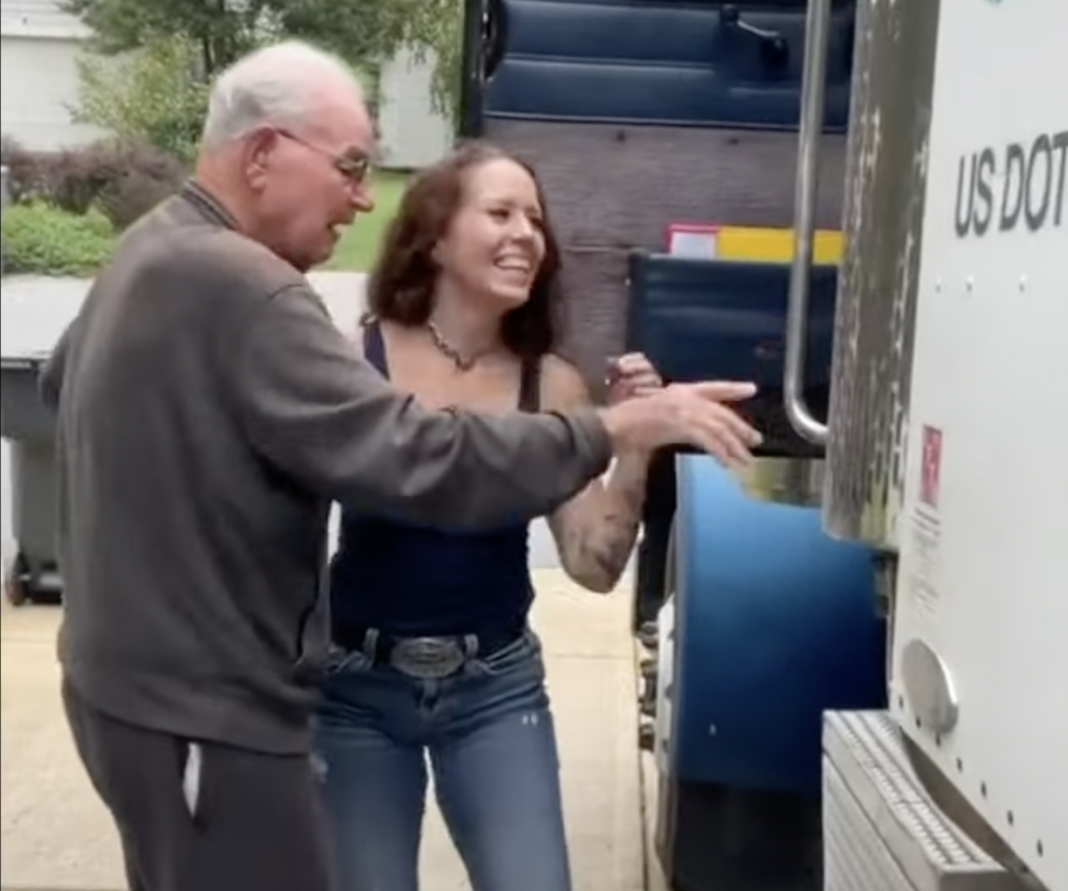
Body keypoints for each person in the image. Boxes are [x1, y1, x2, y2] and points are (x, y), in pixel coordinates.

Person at [40, 40, 762, 891]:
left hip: (457, 683)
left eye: (537, 220)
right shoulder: (267, 297)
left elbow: (61, 384)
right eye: (349, 166)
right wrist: (613, 424)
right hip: (250, 702)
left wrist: (629, 444)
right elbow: (419, 454)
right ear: (265, 152)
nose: (358, 195)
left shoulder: (153, 244)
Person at [312, 142, 677, 891]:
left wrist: (637, 444)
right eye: (501, 212)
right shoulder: (356, 360)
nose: (526, 235)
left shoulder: (553, 384)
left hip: (494, 686)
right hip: (354, 688)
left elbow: (593, 564)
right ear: (435, 236)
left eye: (535, 220)